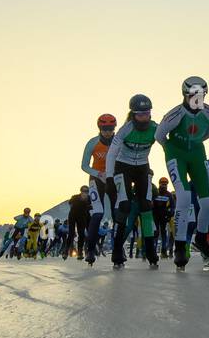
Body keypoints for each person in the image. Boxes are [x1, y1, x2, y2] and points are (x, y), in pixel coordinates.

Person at [156, 77, 209, 269]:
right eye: (192, 95)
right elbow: (159, 136)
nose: (196, 99)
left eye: (200, 95)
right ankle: (180, 246)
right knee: (183, 198)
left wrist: (194, 142)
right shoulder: (174, 115)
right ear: (184, 94)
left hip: (198, 154)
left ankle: (201, 239)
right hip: (176, 153)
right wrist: (172, 149)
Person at [105, 94, 160, 269]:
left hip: (143, 166)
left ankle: (151, 252)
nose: (144, 117)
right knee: (125, 206)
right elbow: (112, 153)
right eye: (140, 114)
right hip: (123, 166)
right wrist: (108, 177)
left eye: (147, 113)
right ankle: (117, 252)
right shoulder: (125, 129)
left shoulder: (155, 128)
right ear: (133, 114)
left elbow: (167, 146)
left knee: (146, 206)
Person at [80, 114, 118, 262]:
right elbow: (84, 165)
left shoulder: (118, 142)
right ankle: (90, 250)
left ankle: (118, 249)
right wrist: (98, 173)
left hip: (114, 179)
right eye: (105, 129)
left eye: (110, 128)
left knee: (117, 215)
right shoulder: (93, 143)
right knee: (97, 213)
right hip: (97, 180)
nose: (108, 131)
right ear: (99, 128)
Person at [152, 177, 175, 257]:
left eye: (165, 184)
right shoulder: (155, 193)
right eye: (163, 184)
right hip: (155, 216)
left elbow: (173, 206)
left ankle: (164, 251)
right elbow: (151, 204)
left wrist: (170, 214)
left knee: (163, 234)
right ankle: (153, 251)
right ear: (159, 184)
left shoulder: (169, 195)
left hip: (164, 217)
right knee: (155, 233)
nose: (164, 186)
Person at [66, 186, 90, 259]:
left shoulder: (89, 198)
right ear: (81, 191)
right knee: (71, 233)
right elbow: (70, 203)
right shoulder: (75, 197)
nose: (85, 193)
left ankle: (80, 252)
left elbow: (91, 208)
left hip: (82, 217)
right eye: (83, 191)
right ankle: (66, 250)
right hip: (73, 216)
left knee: (81, 235)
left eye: (86, 191)